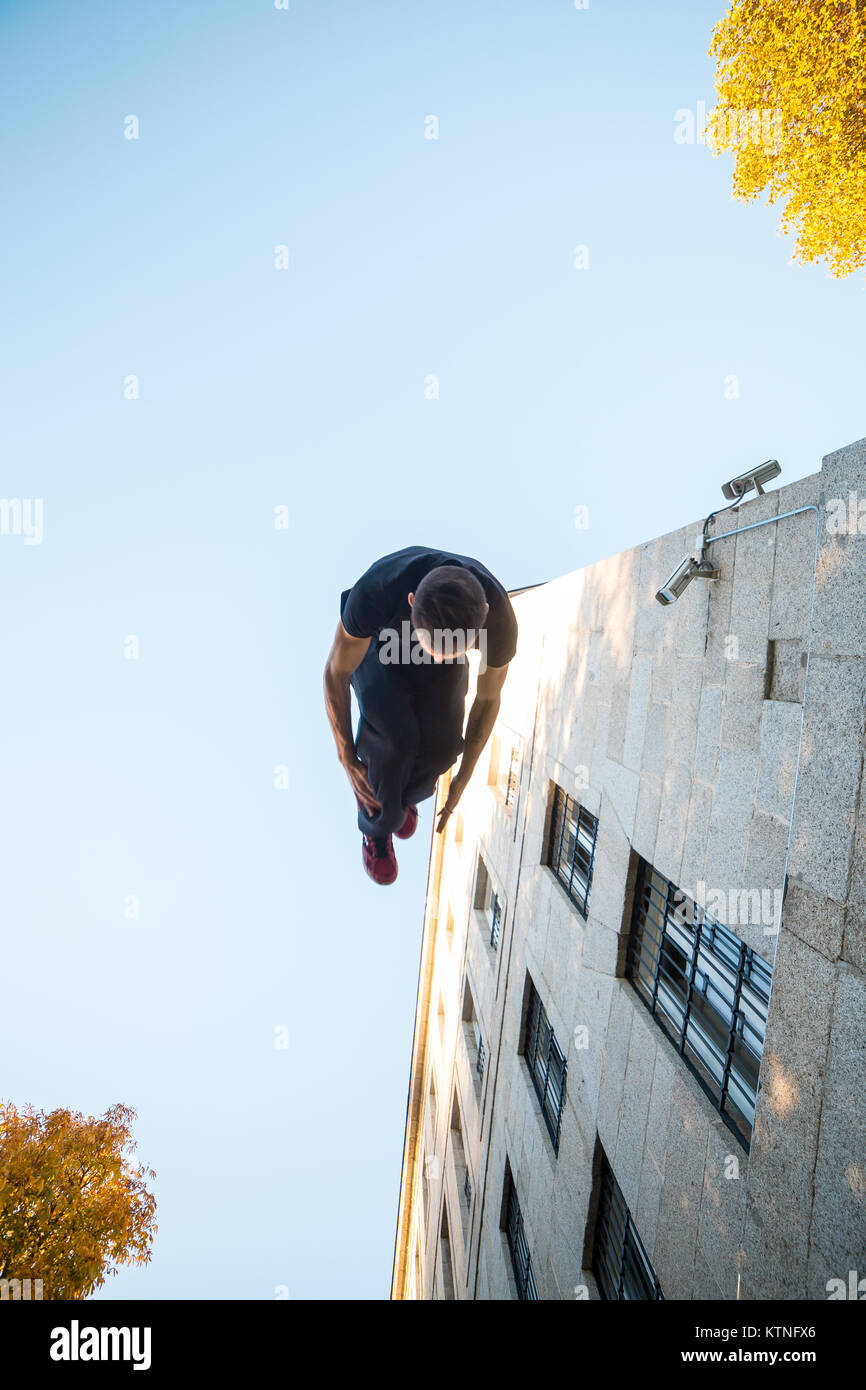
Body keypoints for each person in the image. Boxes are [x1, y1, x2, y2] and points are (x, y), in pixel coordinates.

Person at [324, 545, 518, 884]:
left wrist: (463, 776)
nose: (439, 656)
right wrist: (345, 754)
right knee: (395, 741)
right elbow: (335, 671)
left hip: (435, 661)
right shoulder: (376, 592)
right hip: (378, 651)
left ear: (484, 612)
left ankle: (407, 797)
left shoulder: (499, 624)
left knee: (443, 748)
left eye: (450, 651)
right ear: (411, 600)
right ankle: (379, 825)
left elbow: (487, 700)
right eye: (435, 649)